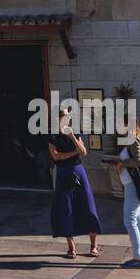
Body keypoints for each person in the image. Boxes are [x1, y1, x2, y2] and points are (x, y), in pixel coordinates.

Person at [48, 106, 102, 259]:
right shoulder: (52, 136)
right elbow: (56, 157)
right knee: (66, 209)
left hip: (78, 171)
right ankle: (71, 247)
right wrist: (73, 152)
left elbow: (84, 152)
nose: (65, 119)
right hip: (63, 173)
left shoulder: (74, 132)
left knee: (88, 206)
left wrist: (72, 137)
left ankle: (94, 245)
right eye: (62, 116)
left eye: (67, 116)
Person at [115, 121, 140, 269]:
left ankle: (137, 258)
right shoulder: (129, 141)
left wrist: (123, 164)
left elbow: (139, 161)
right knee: (138, 220)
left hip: (133, 186)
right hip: (131, 185)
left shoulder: (134, 140)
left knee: (129, 220)